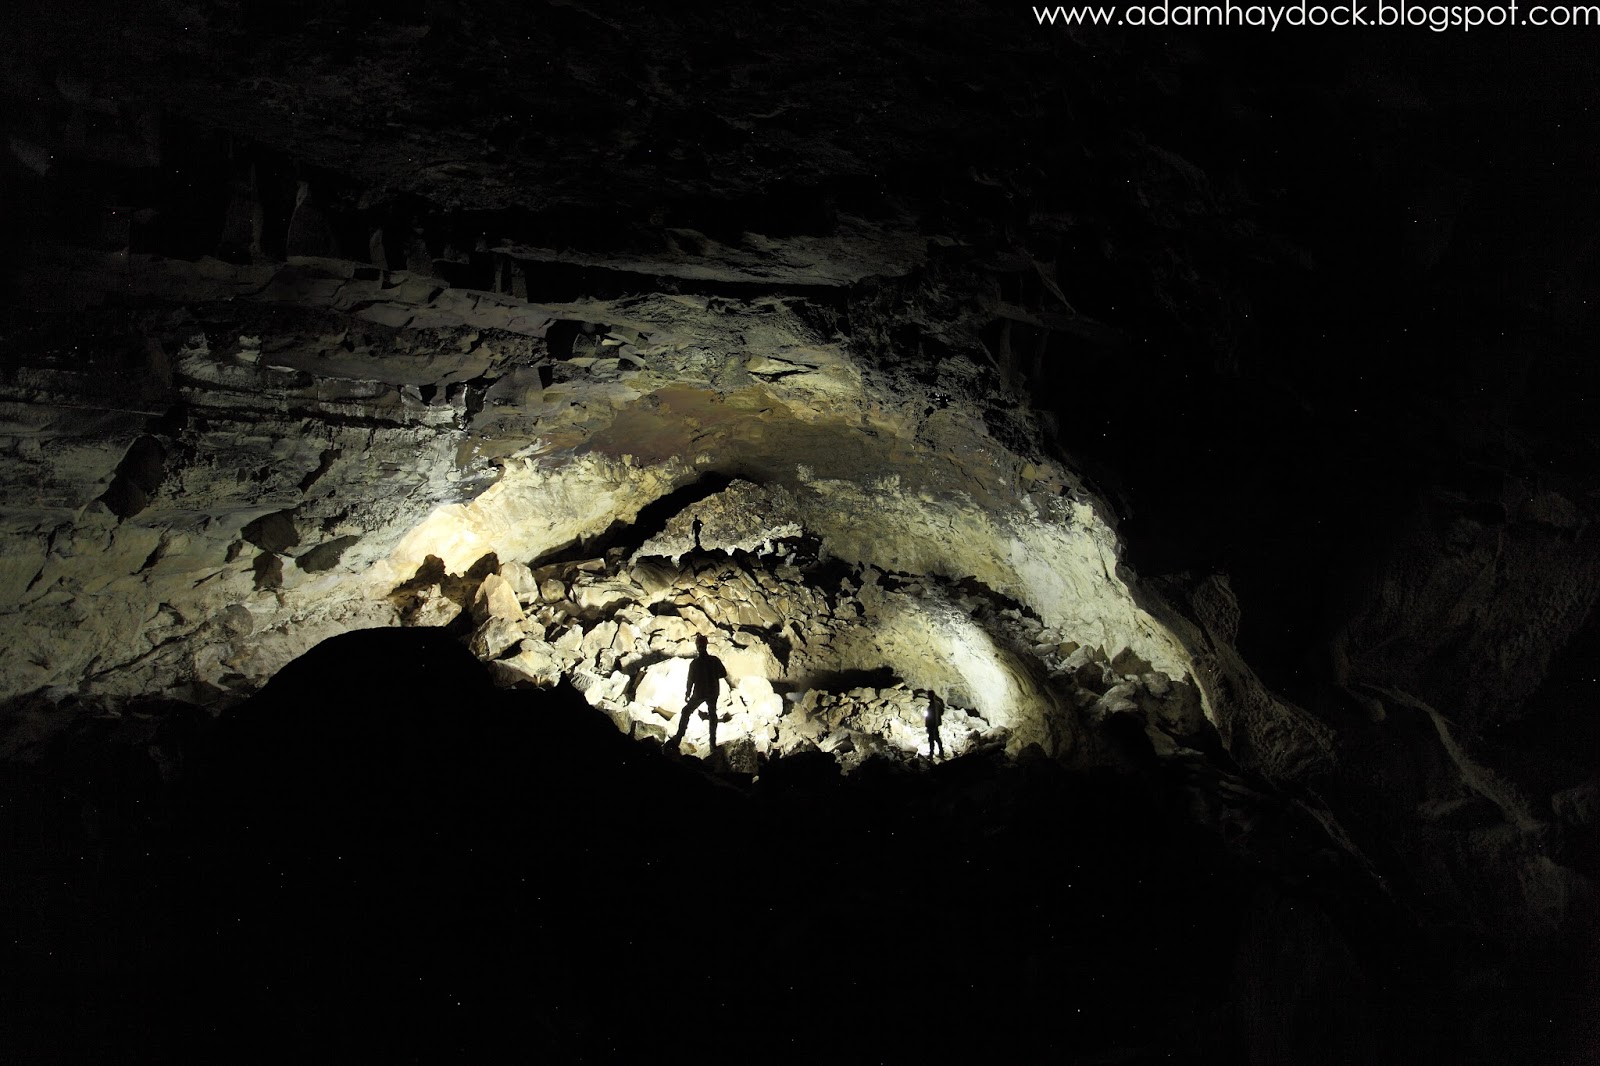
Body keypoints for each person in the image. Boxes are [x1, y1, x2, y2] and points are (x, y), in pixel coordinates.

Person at [667, 633, 727, 753]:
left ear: (697, 647)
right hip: (713, 691)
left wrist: (687, 694)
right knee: (712, 715)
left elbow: (690, 680)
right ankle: (712, 744)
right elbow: (723, 673)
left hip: (699, 692)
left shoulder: (695, 663)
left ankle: (678, 738)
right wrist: (714, 676)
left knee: (686, 711)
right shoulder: (714, 660)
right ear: (706, 646)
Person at [922, 689, 945, 759]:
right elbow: (942, 712)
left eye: (929, 695)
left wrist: (932, 724)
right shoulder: (937, 704)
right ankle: (940, 752)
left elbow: (931, 716)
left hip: (932, 725)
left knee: (932, 739)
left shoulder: (933, 705)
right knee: (936, 738)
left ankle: (932, 754)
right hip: (934, 724)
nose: (928, 696)